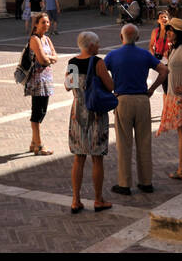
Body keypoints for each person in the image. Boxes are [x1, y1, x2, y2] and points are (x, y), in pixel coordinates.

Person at [104, 22, 169, 196]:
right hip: (142, 100)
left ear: (121, 37)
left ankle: (124, 184)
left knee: (124, 144)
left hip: (122, 100)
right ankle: (146, 182)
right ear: (138, 38)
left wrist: (110, 91)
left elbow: (100, 73)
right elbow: (164, 70)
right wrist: (152, 89)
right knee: (144, 141)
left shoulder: (112, 55)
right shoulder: (145, 55)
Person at [66, 30, 115, 213]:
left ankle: (76, 200)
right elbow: (110, 86)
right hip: (96, 113)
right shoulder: (97, 62)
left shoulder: (72, 62)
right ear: (91, 45)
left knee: (78, 158)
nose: (99, 46)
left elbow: (67, 85)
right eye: (98, 43)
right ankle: (98, 199)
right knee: (97, 158)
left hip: (77, 113)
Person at [158, 19, 182, 180]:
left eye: (171, 30)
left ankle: (181, 169)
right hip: (178, 96)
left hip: (180, 97)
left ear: (178, 33)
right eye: (167, 30)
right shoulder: (176, 48)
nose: (168, 32)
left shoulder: (181, 49)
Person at [24, 13, 58, 156]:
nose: (46, 25)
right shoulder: (34, 39)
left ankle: (33, 143)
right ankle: (39, 144)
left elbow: (55, 57)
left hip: (47, 80)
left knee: (42, 111)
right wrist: (49, 58)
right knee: (37, 111)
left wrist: (49, 58)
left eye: (47, 22)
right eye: (43, 22)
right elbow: (43, 60)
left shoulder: (47, 39)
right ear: (36, 24)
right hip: (37, 80)